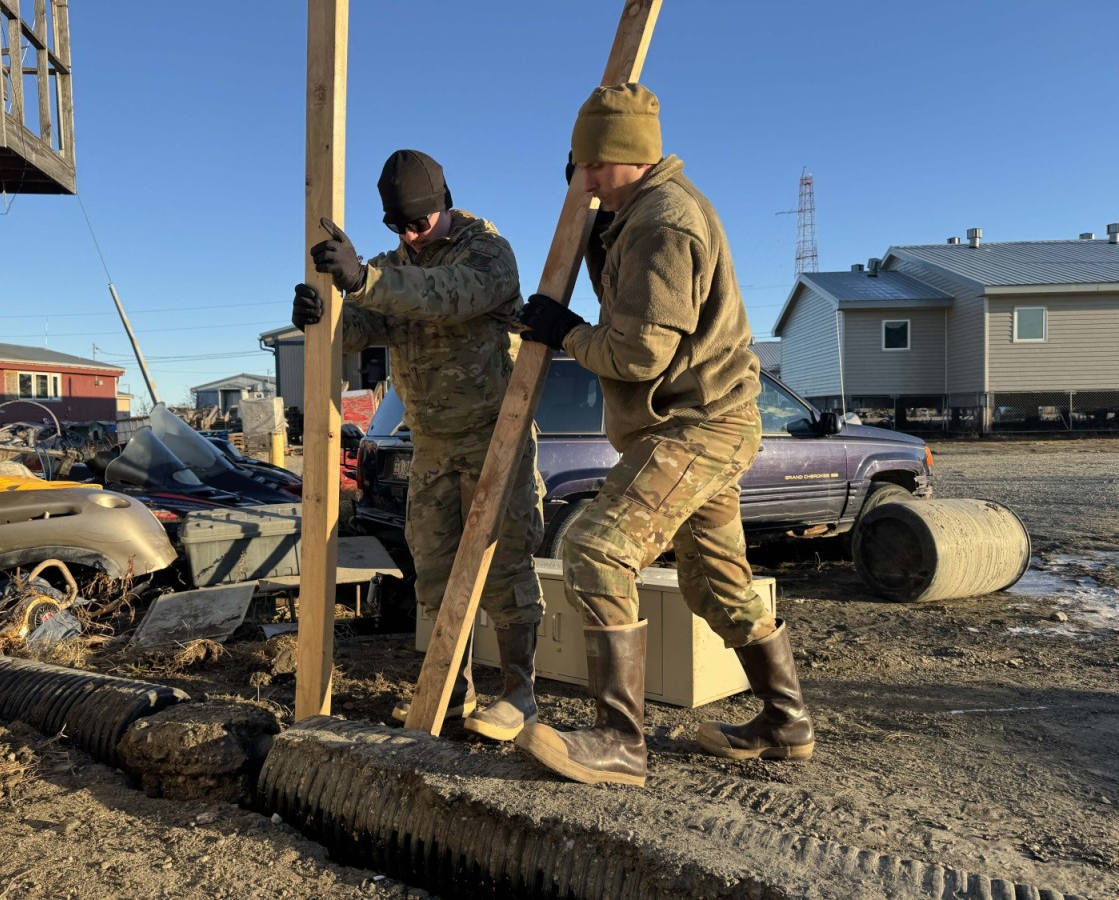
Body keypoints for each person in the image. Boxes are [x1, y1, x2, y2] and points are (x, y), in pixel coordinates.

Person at [514, 84, 814, 787]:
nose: (583, 180)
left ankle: (620, 741)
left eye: (593, 166)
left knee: (594, 548)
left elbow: (639, 355)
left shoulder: (664, 224)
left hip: (696, 426)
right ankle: (787, 721)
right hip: (703, 421)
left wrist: (567, 335)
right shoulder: (635, 218)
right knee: (716, 585)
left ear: (628, 157)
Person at [291, 149, 545, 742]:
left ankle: (519, 695)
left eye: (418, 222)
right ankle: (449, 694)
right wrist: (319, 314)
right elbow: (359, 327)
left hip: (494, 435)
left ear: (443, 204)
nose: (408, 234)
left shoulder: (487, 254)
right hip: (429, 440)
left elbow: (443, 296)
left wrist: (367, 281)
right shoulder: (390, 265)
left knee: (504, 562)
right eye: (397, 226)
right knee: (431, 569)